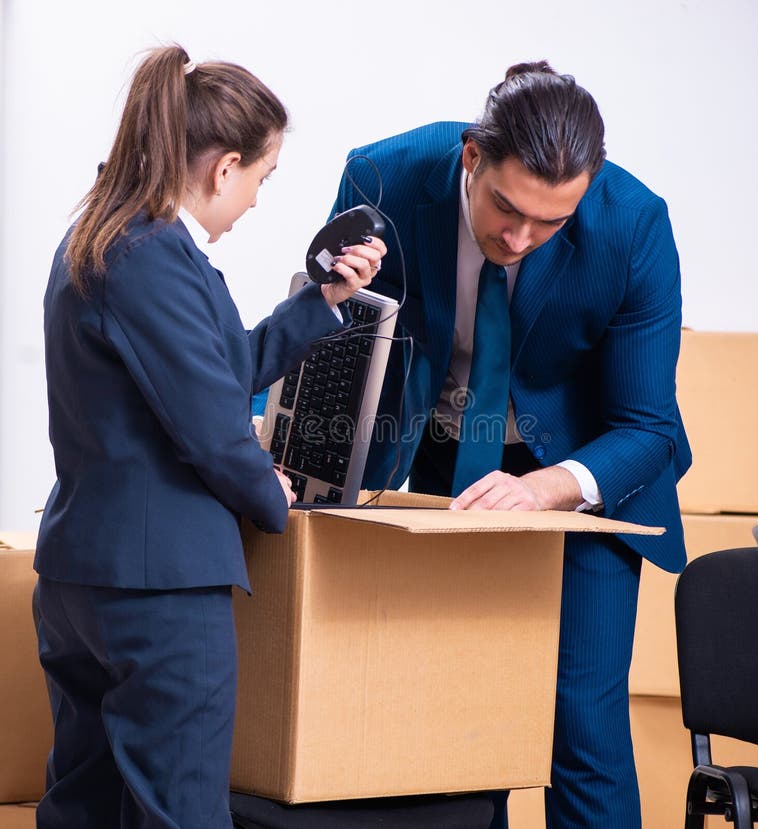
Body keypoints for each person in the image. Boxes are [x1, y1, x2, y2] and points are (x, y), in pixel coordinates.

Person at [330, 61, 691, 828]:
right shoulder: (383, 178)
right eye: (505, 208)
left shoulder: (631, 225)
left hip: (583, 466)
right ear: (472, 156)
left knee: (580, 721)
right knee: (433, 703)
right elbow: (336, 336)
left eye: (550, 223)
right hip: (434, 450)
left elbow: (648, 426)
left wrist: (543, 488)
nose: (519, 238)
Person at [34, 45, 384, 829]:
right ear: (224, 168)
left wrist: (324, 298)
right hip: (156, 589)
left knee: (84, 806)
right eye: (261, 179)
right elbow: (216, 427)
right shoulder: (151, 255)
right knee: (182, 811)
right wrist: (273, 496)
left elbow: (213, 372)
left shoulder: (108, 237)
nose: (257, 201)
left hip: (84, 577)